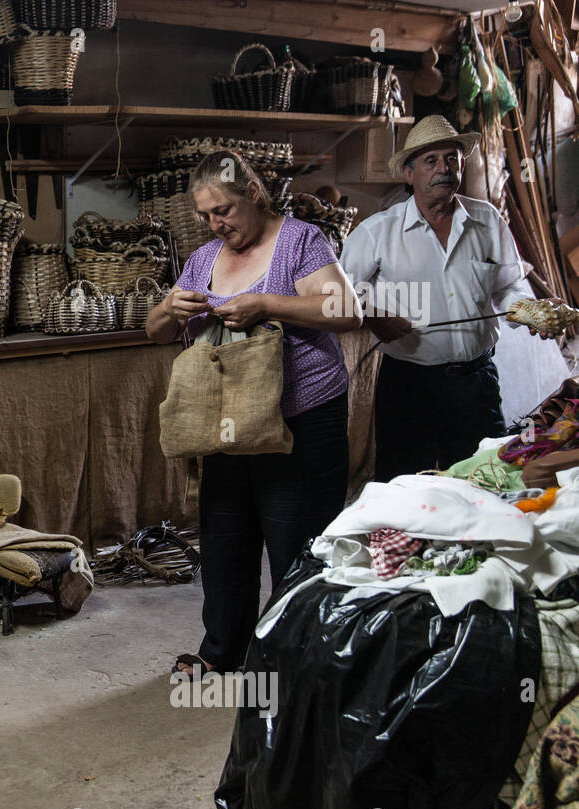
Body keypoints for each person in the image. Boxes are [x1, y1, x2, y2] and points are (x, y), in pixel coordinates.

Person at [145, 150, 363, 677]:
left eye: (223, 210)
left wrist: (267, 303)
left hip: (300, 418)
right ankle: (220, 651)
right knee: (225, 541)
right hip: (228, 422)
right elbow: (155, 330)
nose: (215, 224)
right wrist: (168, 311)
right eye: (205, 216)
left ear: (254, 195)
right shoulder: (203, 259)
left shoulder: (300, 242)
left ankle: (295, 658)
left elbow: (346, 310)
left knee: (296, 543)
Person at [340, 114, 536, 480]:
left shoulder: (487, 220)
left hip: (475, 383)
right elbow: (338, 295)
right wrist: (371, 316)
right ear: (409, 173)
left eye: (451, 158)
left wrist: (529, 310)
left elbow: (510, 285)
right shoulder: (377, 232)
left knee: (483, 480)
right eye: (431, 161)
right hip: (408, 384)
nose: (443, 168)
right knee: (403, 485)